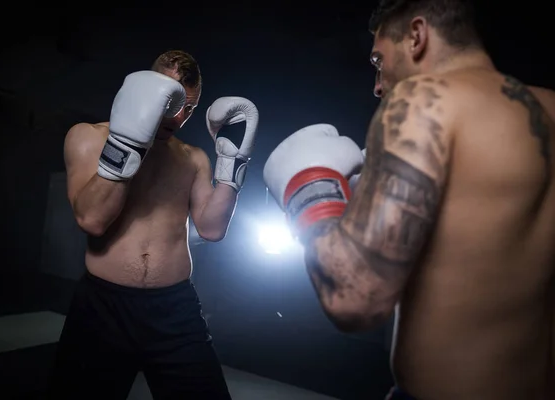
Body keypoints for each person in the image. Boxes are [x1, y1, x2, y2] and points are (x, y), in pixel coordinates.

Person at [263, 1, 555, 399]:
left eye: (378, 59)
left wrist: (309, 189)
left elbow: (354, 298)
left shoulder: (423, 100)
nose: (378, 84)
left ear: (417, 36)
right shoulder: (549, 106)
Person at [50, 50, 259, 399]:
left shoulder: (192, 158)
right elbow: (92, 219)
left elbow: (211, 229)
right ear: (146, 93)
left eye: (189, 109)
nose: (178, 117)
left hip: (175, 310)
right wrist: (128, 143)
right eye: (172, 103)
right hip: (103, 308)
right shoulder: (88, 137)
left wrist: (231, 167)